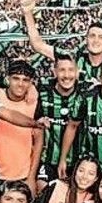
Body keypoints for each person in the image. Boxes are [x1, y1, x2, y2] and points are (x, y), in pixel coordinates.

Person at [22, 0, 102, 86]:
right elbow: (38, 45)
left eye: (101, 37)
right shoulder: (71, 58)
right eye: (92, 36)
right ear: (86, 39)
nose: (96, 40)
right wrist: (28, 13)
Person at [0, 60, 44, 185]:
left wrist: (31, 176)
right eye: (16, 78)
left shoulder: (35, 103)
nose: (20, 84)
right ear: (8, 79)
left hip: (22, 173)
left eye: (25, 80)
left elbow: (39, 141)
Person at [36, 53, 83, 183]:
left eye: (71, 70)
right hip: (47, 160)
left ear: (77, 72)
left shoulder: (85, 94)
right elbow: (32, 119)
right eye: (62, 70)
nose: (67, 75)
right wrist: (36, 122)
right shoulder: (42, 92)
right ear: (54, 71)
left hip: (77, 161)